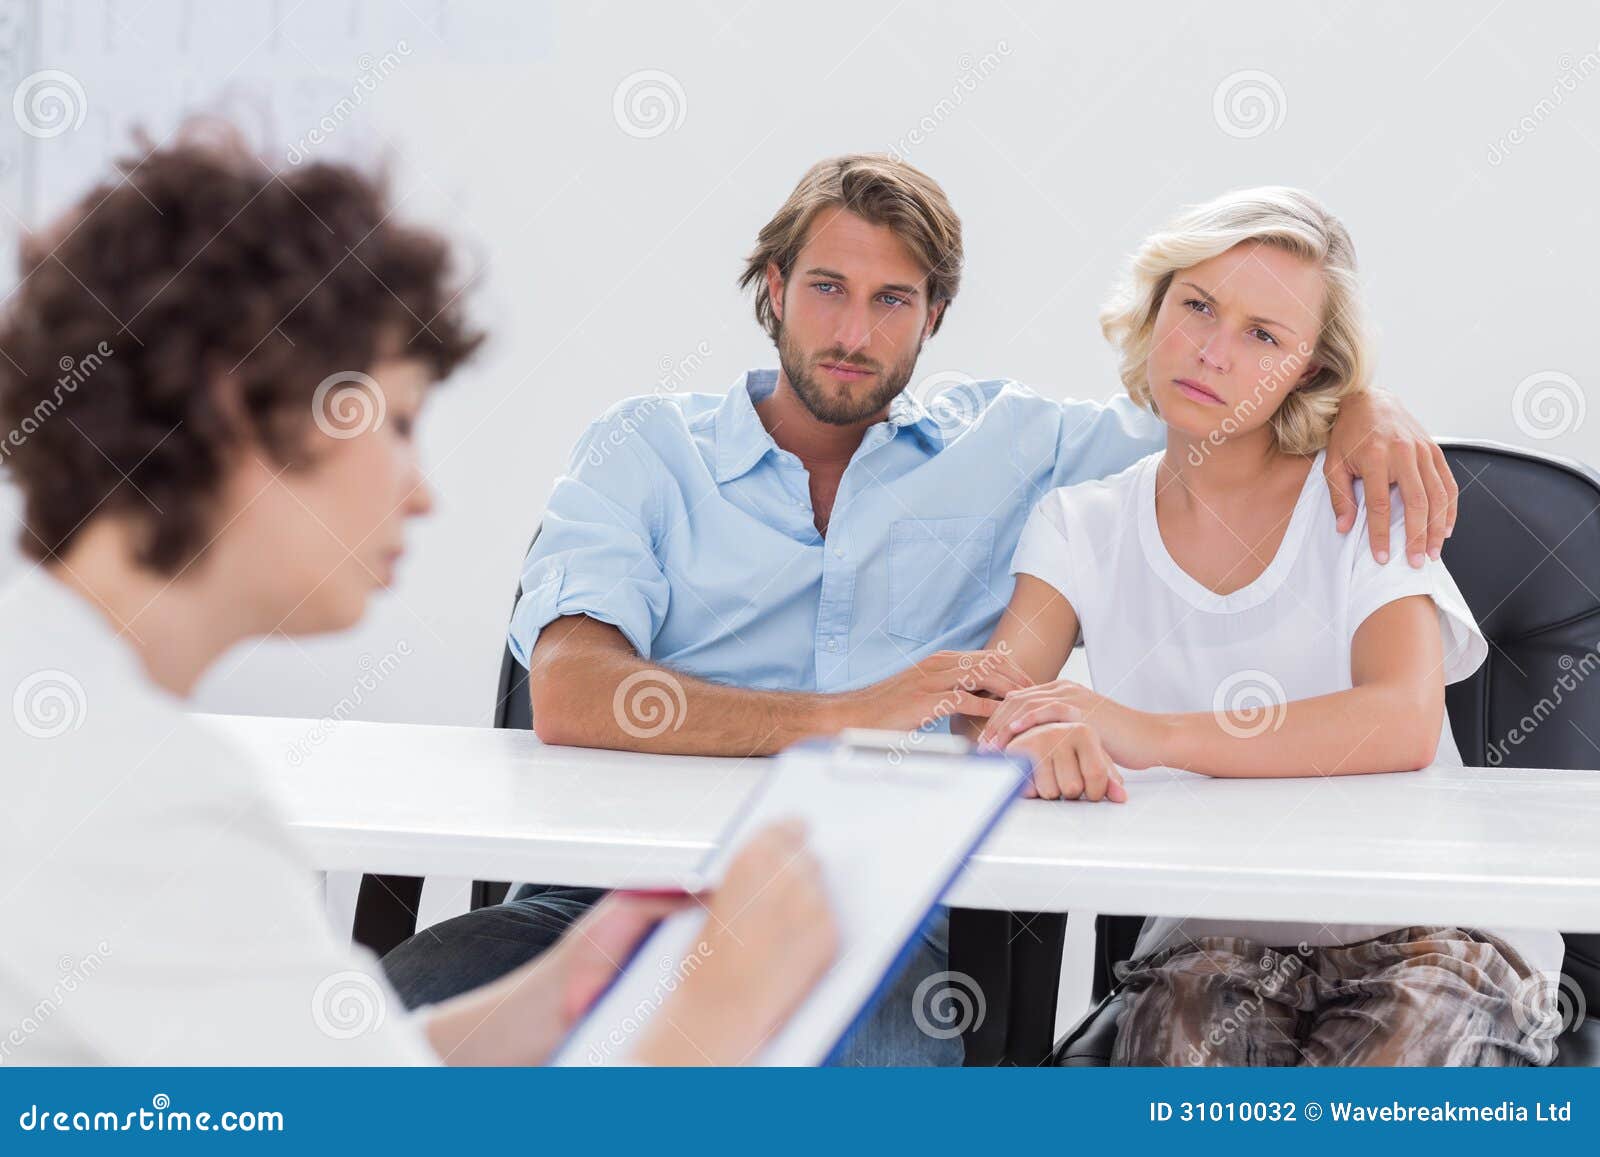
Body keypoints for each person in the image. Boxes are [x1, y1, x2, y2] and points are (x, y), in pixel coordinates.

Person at [381, 154, 1462, 1066]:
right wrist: (847, 714)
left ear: (934, 314)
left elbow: (1228, 413)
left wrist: (1366, 402)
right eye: (825, 288)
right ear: (769, 286)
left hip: (869, 918)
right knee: (379, 1024)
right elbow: (570, 693)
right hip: (606, 895)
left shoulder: (1027, 451)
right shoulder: (643, 447)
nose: (853, 330)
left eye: (893, 299)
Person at [0, 127, 837, 1065]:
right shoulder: (136, 802)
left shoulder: (53, 708)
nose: (422, 490)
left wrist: (555, 995)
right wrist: (710, 1019)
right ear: (238, 403)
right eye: (394, 421)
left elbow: (328, 1084)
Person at [971, 186, 1561, 1066]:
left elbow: (1399, 719)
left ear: (1311, 371)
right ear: (1155, 305)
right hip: (1209, 936)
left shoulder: (1361, 494)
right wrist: (1021, 737)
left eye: (1264, 336)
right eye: (1198, 306)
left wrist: (1144, 732)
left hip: (1428, 924)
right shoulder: (1079, 523)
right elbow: (989, 703)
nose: (1212, 351)